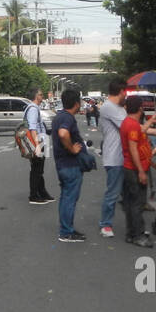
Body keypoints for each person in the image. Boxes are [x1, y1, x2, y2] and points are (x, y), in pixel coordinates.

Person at [120, 95, 156, 247]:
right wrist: (141, 172)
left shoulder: (130, 123)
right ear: (140, 109)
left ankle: (132, 233)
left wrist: (151, 122)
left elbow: (140, 130)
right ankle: (138, 235)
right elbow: (133, 149)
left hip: (131, 168)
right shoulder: (131, 125)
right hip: (135, 169)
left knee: (131, 203)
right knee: (138, 203)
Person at [53, 88, 88, 242]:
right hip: (69, 165)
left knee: (65, 197)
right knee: (69, 198)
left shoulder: (59, 116)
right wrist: (72, 148)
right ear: (76, 103)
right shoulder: (67, 118)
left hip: (63, 164)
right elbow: (63, 133)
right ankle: (66, 232)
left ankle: (66, 228)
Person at [98, 78, 128, 236]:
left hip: (123, 156)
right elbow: (128, 128)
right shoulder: (109, 107)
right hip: (114, 157)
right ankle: (105, 224)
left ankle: (133, 225)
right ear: (122, 91)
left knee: (128, 193)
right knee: (112, 193)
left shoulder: (119, 108)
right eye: (126, 92)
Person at [24, 87, 54, 205]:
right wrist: (37, 145)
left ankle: (42, 192)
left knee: (39, 170)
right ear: (36, 96)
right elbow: (32, 128)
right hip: (38, 142)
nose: (42, 97)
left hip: (41, 140)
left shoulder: (34, 108)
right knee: (36, 170)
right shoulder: (32, 109)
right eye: (41, 95)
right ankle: (33, 195)